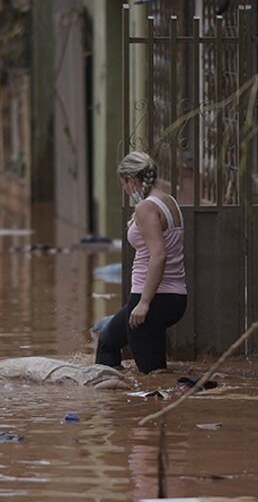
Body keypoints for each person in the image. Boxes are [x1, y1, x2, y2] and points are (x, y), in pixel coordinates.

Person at [95, 151, 187, 373]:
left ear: (131, 180)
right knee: (108, 341)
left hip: (153, 297)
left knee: (153, 376)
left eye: (123, 184)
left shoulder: (146, 208)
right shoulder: (169, 201)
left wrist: (144, 303)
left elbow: (159, 255)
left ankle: (140, 405)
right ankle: (117, 401)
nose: (125, 190)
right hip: (173, 296)